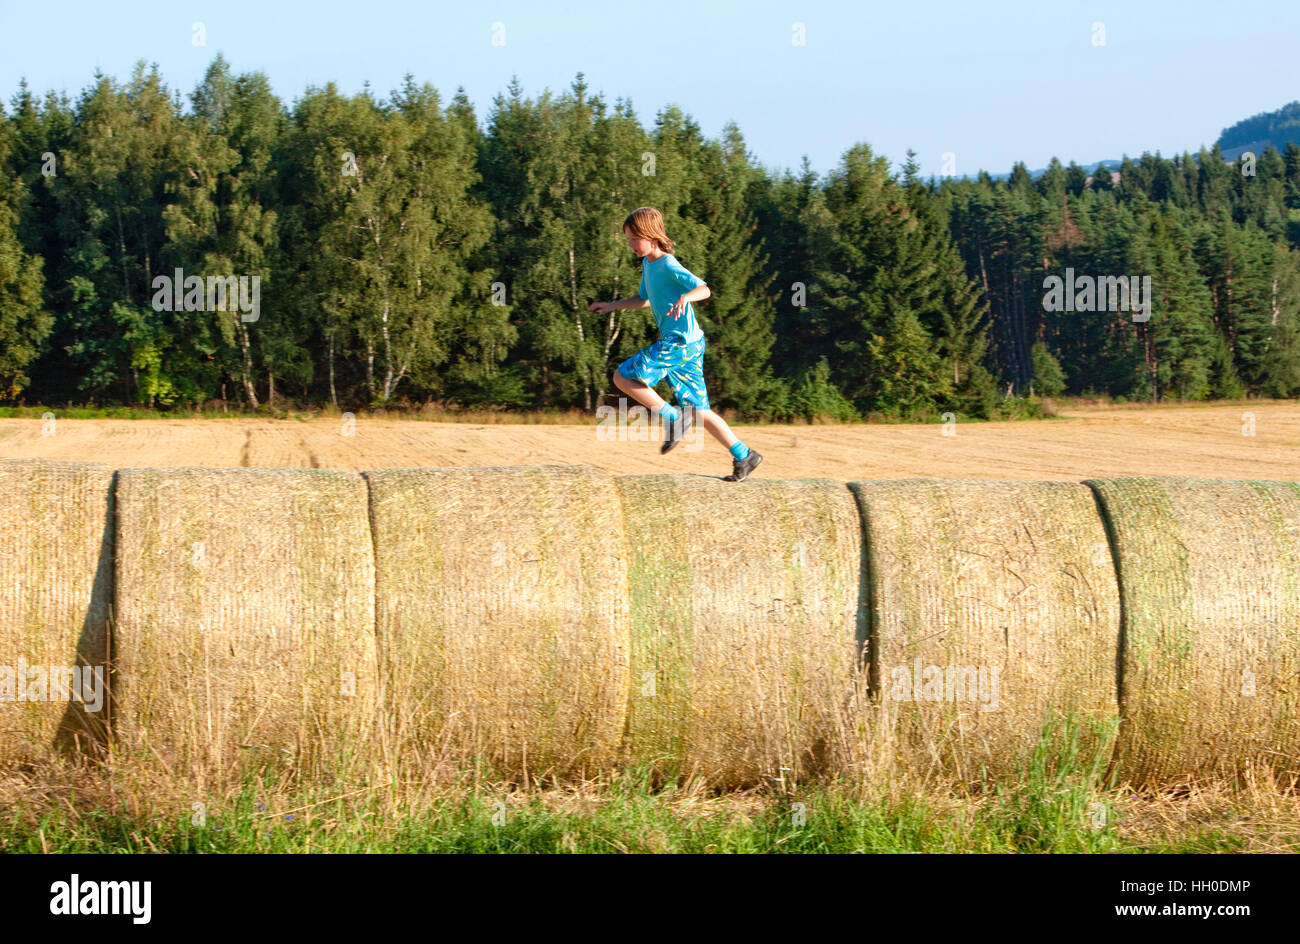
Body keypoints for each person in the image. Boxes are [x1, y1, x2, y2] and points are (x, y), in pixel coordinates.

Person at [588, 206, 763, 482]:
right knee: (698, 410)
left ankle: (672, 418)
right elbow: (644, 298)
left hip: (680, 342)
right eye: (628, 240)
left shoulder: (668, 264)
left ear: (651, 235)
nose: (631, 245)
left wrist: (686, 298)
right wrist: (611, 306)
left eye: (635, 239)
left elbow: (704, 289)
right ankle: (745, 455)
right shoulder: (648, 265)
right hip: (690, 344)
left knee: (622, 376)